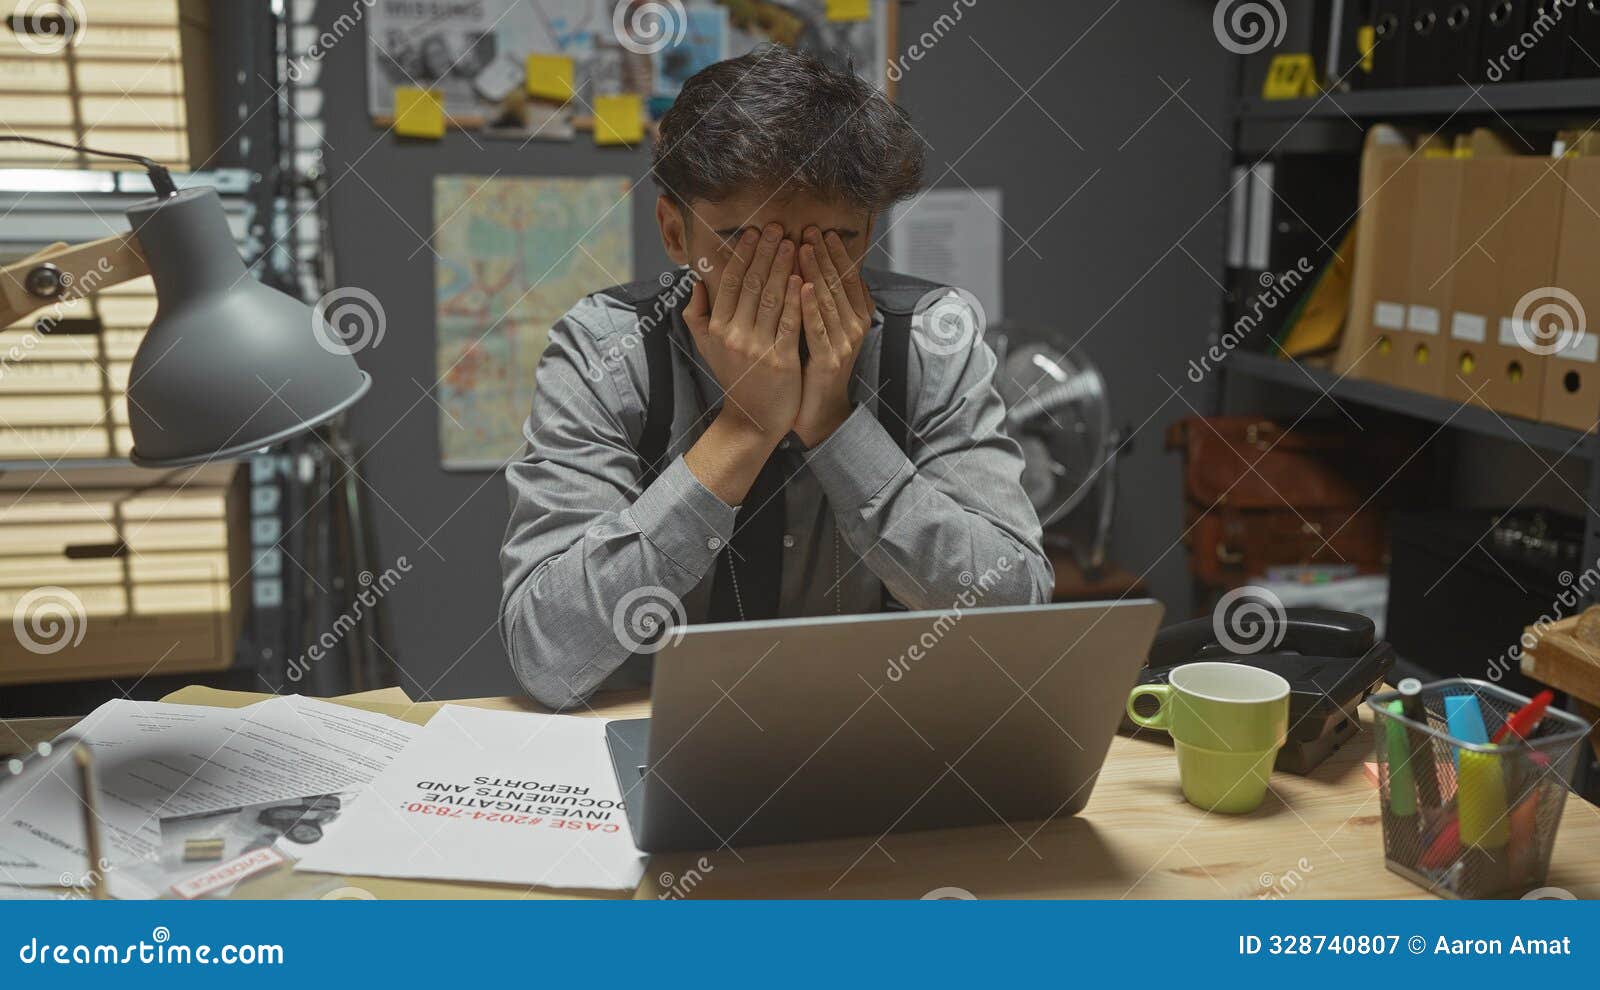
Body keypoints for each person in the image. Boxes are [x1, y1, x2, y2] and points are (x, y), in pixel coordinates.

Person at [500, 45, 1051, 709]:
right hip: (650, 755)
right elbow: (546, 653)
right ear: (675, 232)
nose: (788, 284)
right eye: (743, 243)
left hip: (880, 745)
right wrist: (742, 430)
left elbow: (1017, 609)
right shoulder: (605, 350)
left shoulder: (932, 340)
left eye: (831, 244)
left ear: (869, 230)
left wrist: (836, 427)